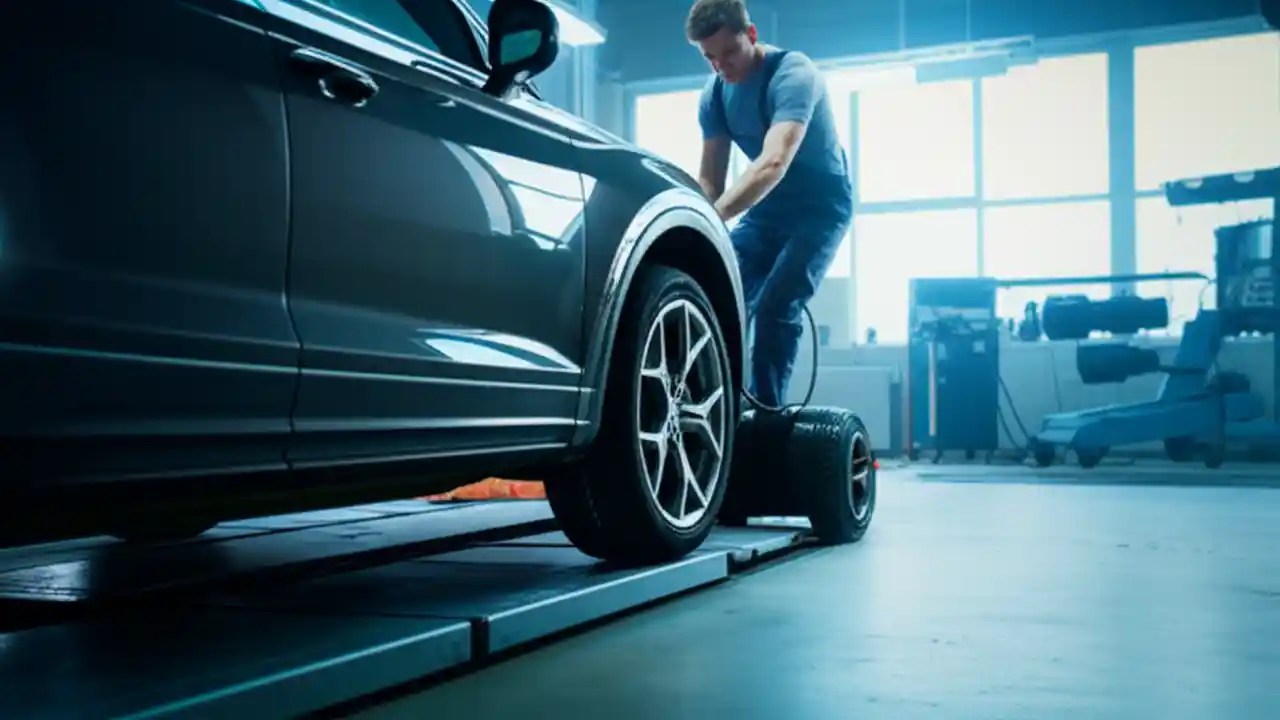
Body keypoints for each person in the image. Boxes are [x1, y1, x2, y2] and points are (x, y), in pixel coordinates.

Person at [686, 0, 853, 409]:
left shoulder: (795, 74)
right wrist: (695, 221)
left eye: (729, 52)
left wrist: (715, 218)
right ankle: (713, 409)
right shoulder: (715, 96)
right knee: (718, 294)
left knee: (777, 304)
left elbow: (773, 162)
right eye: (710, 58)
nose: (721, 66)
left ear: (752, 35)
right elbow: (710, 180)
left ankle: (767, 416)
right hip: (769, 208)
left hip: (820, 205)